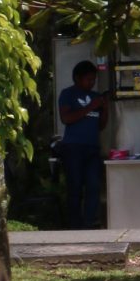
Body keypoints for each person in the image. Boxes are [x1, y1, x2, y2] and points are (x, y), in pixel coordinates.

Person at [57, 61, 111, 228]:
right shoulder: (68, 94)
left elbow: (100, 126)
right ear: (77, 78)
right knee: (75, 186)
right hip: (73, 147)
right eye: (88, 79)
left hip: (92, 147)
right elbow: (66, 118)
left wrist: (105, 108)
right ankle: (74, 224)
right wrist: (90, 107)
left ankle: (90, 223)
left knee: (93, 186)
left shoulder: (96, 97)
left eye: (93, 79)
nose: (91, 83)